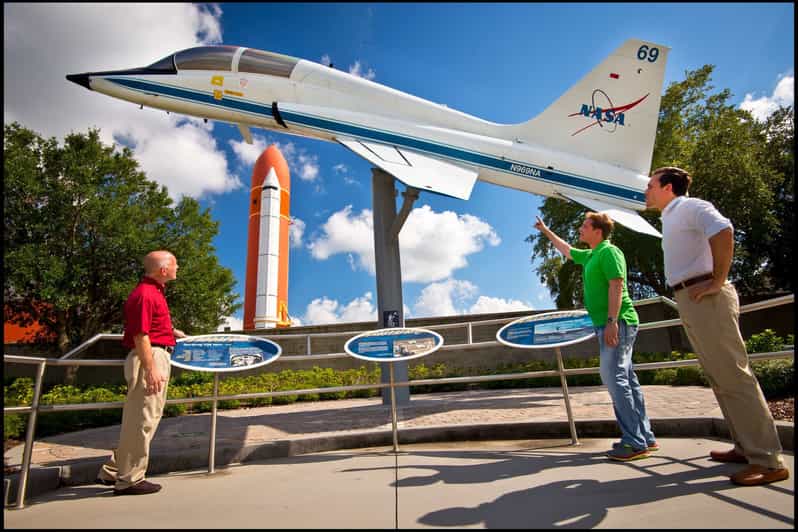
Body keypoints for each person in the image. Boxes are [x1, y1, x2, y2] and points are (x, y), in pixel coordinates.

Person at [645, 167, 789, 485]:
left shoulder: (690, 206)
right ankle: (745, 447)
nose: (646, 190)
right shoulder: (670, 216)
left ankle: (768, 461)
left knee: (734, 376)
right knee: (719, 378)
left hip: (705, 296)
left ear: (668, 187)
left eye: (650, 185)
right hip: (689, 297)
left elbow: (723, 230)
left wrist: (718, 280)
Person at [535, 212, 657, 461]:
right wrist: (546, 231)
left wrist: (612, 321)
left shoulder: (609, 252)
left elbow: (616, 285)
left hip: (618, 322)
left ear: (598, 231)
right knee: (626, 379)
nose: (580, 229)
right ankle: (645, 436)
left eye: (584, 226)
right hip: (607, 324)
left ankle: (634, 442)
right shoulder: (591, 255)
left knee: (613, 377)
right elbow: (567, 250)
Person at [97, 250, 186, 495]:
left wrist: (172, 331)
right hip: (151, 357)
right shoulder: (146, 294)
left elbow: (150, 326)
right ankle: (129, 479)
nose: (178, 268)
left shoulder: (153, 292)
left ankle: (113, 471)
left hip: (156, 352)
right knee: (143, 422)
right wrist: (151, 368)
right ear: (163, 270)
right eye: (175, 264)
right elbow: (140, 335)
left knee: (140, 420)